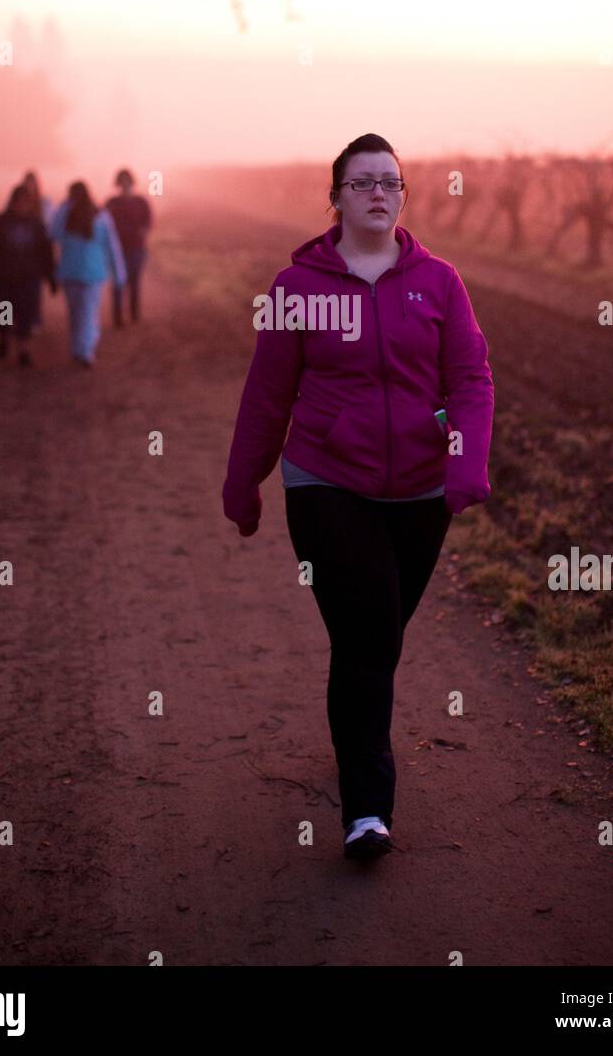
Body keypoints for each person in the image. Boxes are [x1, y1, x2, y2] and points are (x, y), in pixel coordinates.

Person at [222, 134, 495, 861]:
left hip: (421, 490)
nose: (380, 192)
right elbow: (268, 392)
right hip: (326, 482)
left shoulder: (438, 282)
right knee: (372, 631)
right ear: (337, 196)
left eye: (392, 182)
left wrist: (465, 459)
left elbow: (470, 377)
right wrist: (243, 477)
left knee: (376, 635)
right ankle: (367, 810)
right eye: (364, 181)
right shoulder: (297, 288)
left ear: (403, 196)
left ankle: (354, 736)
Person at [50, 181, 126, 368]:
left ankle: (79, 349)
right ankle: (85, 350)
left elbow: (52, 233)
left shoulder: (65, 214)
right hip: (92, 273)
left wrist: (63, 207)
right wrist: (119, 274)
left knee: (75, 313)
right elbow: (112, 246)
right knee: (88, 313)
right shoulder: (101, 216)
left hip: (70, 272)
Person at [0, 183, 57, 367]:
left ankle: (24, 350)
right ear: (12, 201)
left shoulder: (36, 225)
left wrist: (51, 276)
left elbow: (46, 252)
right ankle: (4, 336)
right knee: (4, 314)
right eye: (19, 201)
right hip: (4, 281)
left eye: (26, 202)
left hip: (29, 280)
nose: (22, 205)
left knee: (26, 315)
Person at [104, 168, 152, 325]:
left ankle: (134, 314)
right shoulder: (112, 203)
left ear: (131, 182)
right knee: (118, 281)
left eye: (127, 180)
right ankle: (118, 316)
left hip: (136, 248)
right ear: (118, 183)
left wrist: (143, 233)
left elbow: (148, 222)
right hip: (117, 249)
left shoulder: (141, 202)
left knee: (134, 281)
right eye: (122, 180)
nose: (125, 184)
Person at [22, 171, 55, 331]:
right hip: (18, 254)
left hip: (37, 253)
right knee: (10, 295)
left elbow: (50, 226)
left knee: (34, 288)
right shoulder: (17, 203)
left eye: (32, 183)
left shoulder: (45, 203)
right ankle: (5, 325)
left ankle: (33, 319)